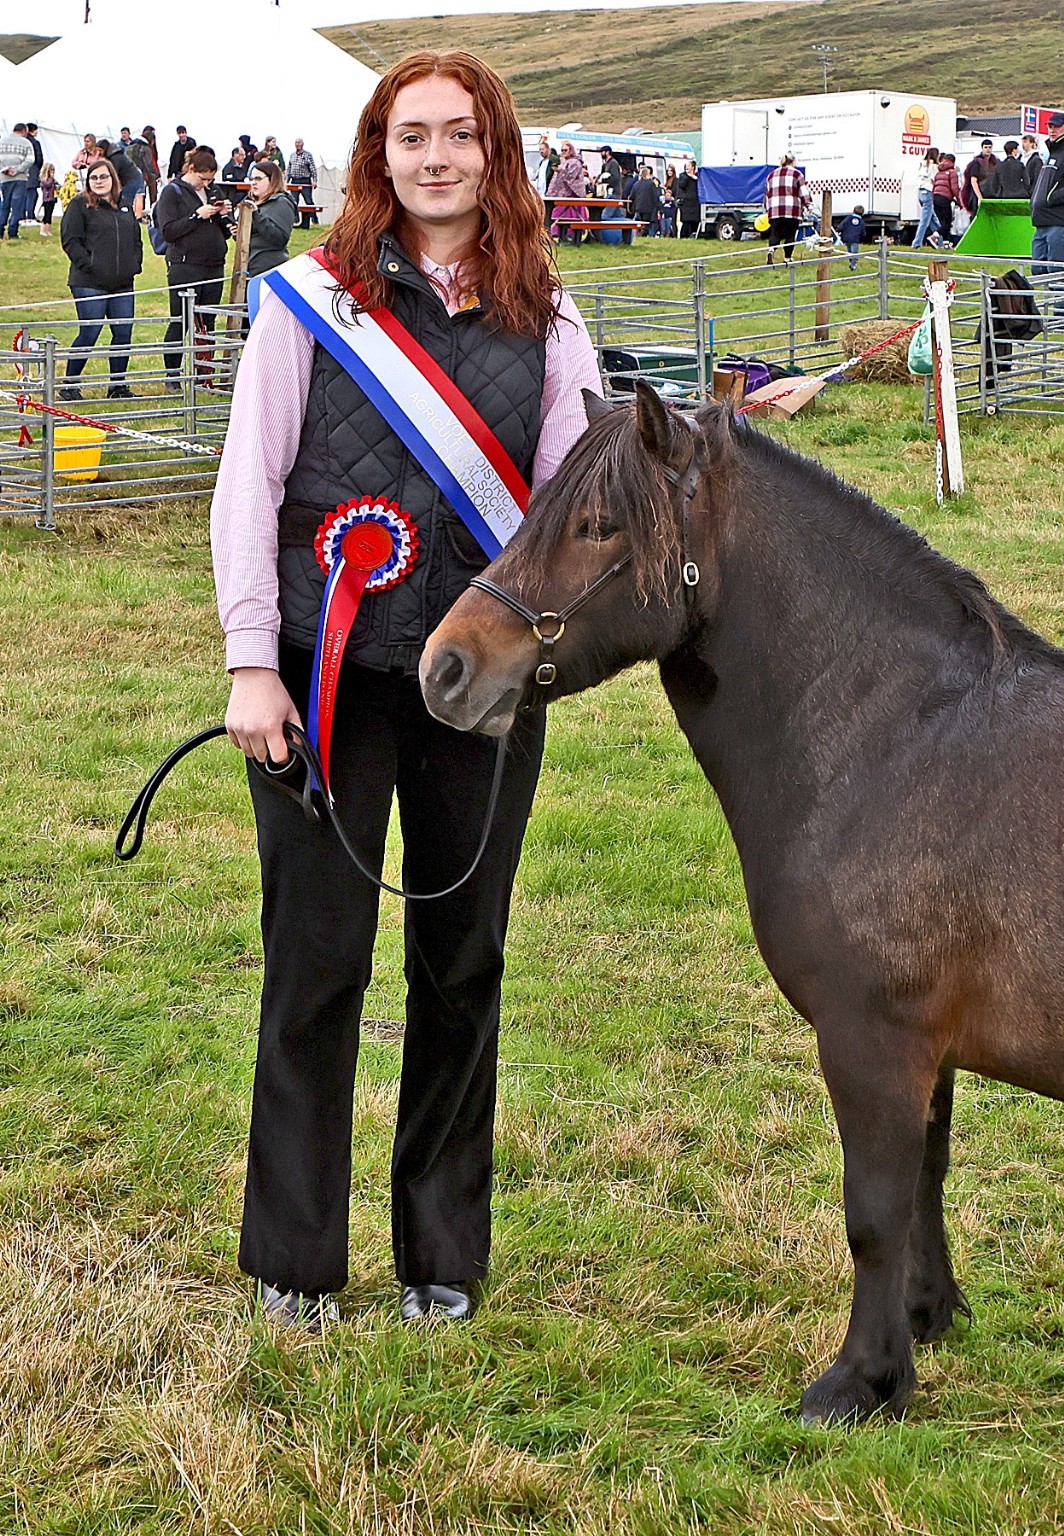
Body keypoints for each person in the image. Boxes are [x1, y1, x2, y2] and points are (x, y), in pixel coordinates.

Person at [211, 46, 603, 1333]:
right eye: (411, 134)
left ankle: (441, 1253)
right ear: (378, 153)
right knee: (315, 964)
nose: (437, 158)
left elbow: (569, 511)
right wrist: (252, 662)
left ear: (498, 154)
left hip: (477, 691)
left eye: (461, 134)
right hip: (323, 681)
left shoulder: (550, 322)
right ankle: (293, 1263)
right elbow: (249, 485)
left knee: (462, 960)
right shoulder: (310, 303)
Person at [58, 158, 145, 401]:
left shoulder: (124, 205)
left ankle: (118, 386)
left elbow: (136, 239)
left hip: (122, 283)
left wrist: (134, 264)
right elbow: (70, 241)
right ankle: (70, 385)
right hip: (89, 283)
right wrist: (90, 265)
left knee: (123, 333)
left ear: (113, 178)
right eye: (94, 178)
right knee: (90, 331)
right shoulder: (79, 205)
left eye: (103, 176)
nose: (99, 181)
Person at [155, 146, 231, 379]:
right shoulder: (172, 192)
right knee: (181, 321)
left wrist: (223, 216)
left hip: (214, 265)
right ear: (191, 169)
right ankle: (173, 375)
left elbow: (224, 233)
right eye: (202, 178)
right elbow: (168, 231)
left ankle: (204, 373)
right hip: (185, 265)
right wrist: (197, 215)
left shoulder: (213, 191)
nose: (206, 184)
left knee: (208, 320)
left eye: (210, 179)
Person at [1029, 113, 1064, 310]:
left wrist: (1052, 198)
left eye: (1056, 126)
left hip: (1060, 221)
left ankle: (1063, 313)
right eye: (1050, 126)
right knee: (1038, 268)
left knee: (1056, 269)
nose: (1052, 130)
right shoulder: (1051, 154)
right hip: (1042, 221)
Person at [242, 159, 297, 282]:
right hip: (249, 266)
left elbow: (279, 239)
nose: (253, 183)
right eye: (251, 179)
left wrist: (256, 215)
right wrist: (238, 231)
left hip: (268, 268)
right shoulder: (256, 202)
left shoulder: (281, 202)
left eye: (258, 179)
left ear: (272, 179)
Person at [763, 152, 811, 264]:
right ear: (793, 162)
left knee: (775, 234)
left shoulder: (771, 175)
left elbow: (767, 194)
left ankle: (771, 251)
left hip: (775, 211)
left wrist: (767, 210)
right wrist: (808, 204)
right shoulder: (797, 174)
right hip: (792, 210)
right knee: (790, 235)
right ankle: (787, 258)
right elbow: (803, 192)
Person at [1, 124, 37, 240]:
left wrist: (5, 169)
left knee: (4, 204)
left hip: (4, 177)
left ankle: (0, 229)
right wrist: (18, 170)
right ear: (24, 131)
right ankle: (13, 231)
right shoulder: (26, 143)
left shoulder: (2, 141)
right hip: (20, 178)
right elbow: (30, 159)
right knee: (17, 205)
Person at [546, 142, 587, 241]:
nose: (563, 152)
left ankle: (570, 235)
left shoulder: (575, 162)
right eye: (562, 150)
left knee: (566, 213)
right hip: (561, 194)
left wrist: (559, 171)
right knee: (557, 213)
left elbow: (571, 176)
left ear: (571, 150)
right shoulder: (562, 161)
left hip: (572, 193)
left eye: (565, 150)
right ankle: (557, 234)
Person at [928, 152, 960, 249]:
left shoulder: (939, 173)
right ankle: (934, 236)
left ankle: (946, 244)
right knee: (947, 223)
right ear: (953, 162)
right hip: (945, 199)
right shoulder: (952, 172)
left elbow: (934, 187)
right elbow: (954, 188)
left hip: (936, 198)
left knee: (943, 222)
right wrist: (960, 200)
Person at [910, 147, 941, 249]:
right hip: (928, 191)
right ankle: (916, 243)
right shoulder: (934, 166)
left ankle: (941, 242)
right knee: (924, 221)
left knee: (933, 220)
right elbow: (933, 180)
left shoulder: (922, 164)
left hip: (920, 192)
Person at [288, 139, 319, 229]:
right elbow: (289, 168)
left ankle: (314, 219)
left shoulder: (308, 155)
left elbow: (313, 168)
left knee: (308, 200)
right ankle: (295, 220)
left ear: (302, 144)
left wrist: (314, 180)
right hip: (294, 180)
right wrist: (286, 181)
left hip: (305, 180)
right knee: (294, 201)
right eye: (296, 143)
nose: (297, 144)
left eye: (299, 143)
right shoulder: (292, 155)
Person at [962, 137, 998, 215]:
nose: (988, 149)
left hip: (991, 195)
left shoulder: (995, 162)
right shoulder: (977, 162)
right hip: (977, 195)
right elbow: (973, 181)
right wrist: (980, 197)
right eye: (986, 147)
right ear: (982, 148)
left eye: (990, 147)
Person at [629, 165, 662, 237]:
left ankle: (640, 236)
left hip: (639, 208)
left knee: (640, 226)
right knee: (651, 226)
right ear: (648, 174)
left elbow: (631, 197)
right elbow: (656, 196)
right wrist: (659, 208)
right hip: (650, 209)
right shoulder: (652, 184)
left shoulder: (636, 184)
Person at [673, 158, 700, 238]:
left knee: (694, 222)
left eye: (688, 166)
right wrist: (688, 176)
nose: (687, 167)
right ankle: (684, 236)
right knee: (686, 222)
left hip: (695, 203)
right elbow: (682, 185)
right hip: (686, 204)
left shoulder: (697, 177)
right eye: (686, 166)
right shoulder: (683, 176)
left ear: (693, 167)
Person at [839, 203, 866, 269]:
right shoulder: (861, 221)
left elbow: (841, 226)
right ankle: (853, 265)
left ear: (853, 211)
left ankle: (851, 263)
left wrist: (839, 230)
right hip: (855, 239)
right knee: (854, 253)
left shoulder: (848, 218)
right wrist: (862, 237)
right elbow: (863, 232)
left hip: (847, 238)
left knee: (849, 252)